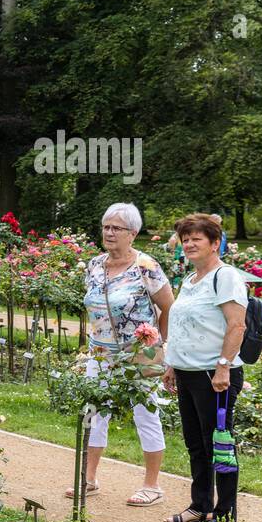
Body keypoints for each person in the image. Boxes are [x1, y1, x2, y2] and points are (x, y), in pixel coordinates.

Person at [66, 203, 174, 506]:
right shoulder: (95, 264)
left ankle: (151, 486)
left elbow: (169, 306)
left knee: (146, 413)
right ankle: (89, 479)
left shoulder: (146, 266)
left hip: (139, 353)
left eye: (117, 228)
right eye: (106, 227)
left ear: (133, 233)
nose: (109, 232)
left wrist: (158, 343)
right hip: (100, 353)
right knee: (94, 413)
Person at [162, 213, 249, 522]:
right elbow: (183, 325)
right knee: (196, 445)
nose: (188, 244)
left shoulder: (225, 277)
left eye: (196, 239)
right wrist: (173, 363)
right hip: (187, 373)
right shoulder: (191, 280)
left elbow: (237, 325)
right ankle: (200, 507)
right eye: (186, 239)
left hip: (215, 377)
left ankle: (225, 517)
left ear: (215, 243)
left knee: (220, 446)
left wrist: (224, 367)